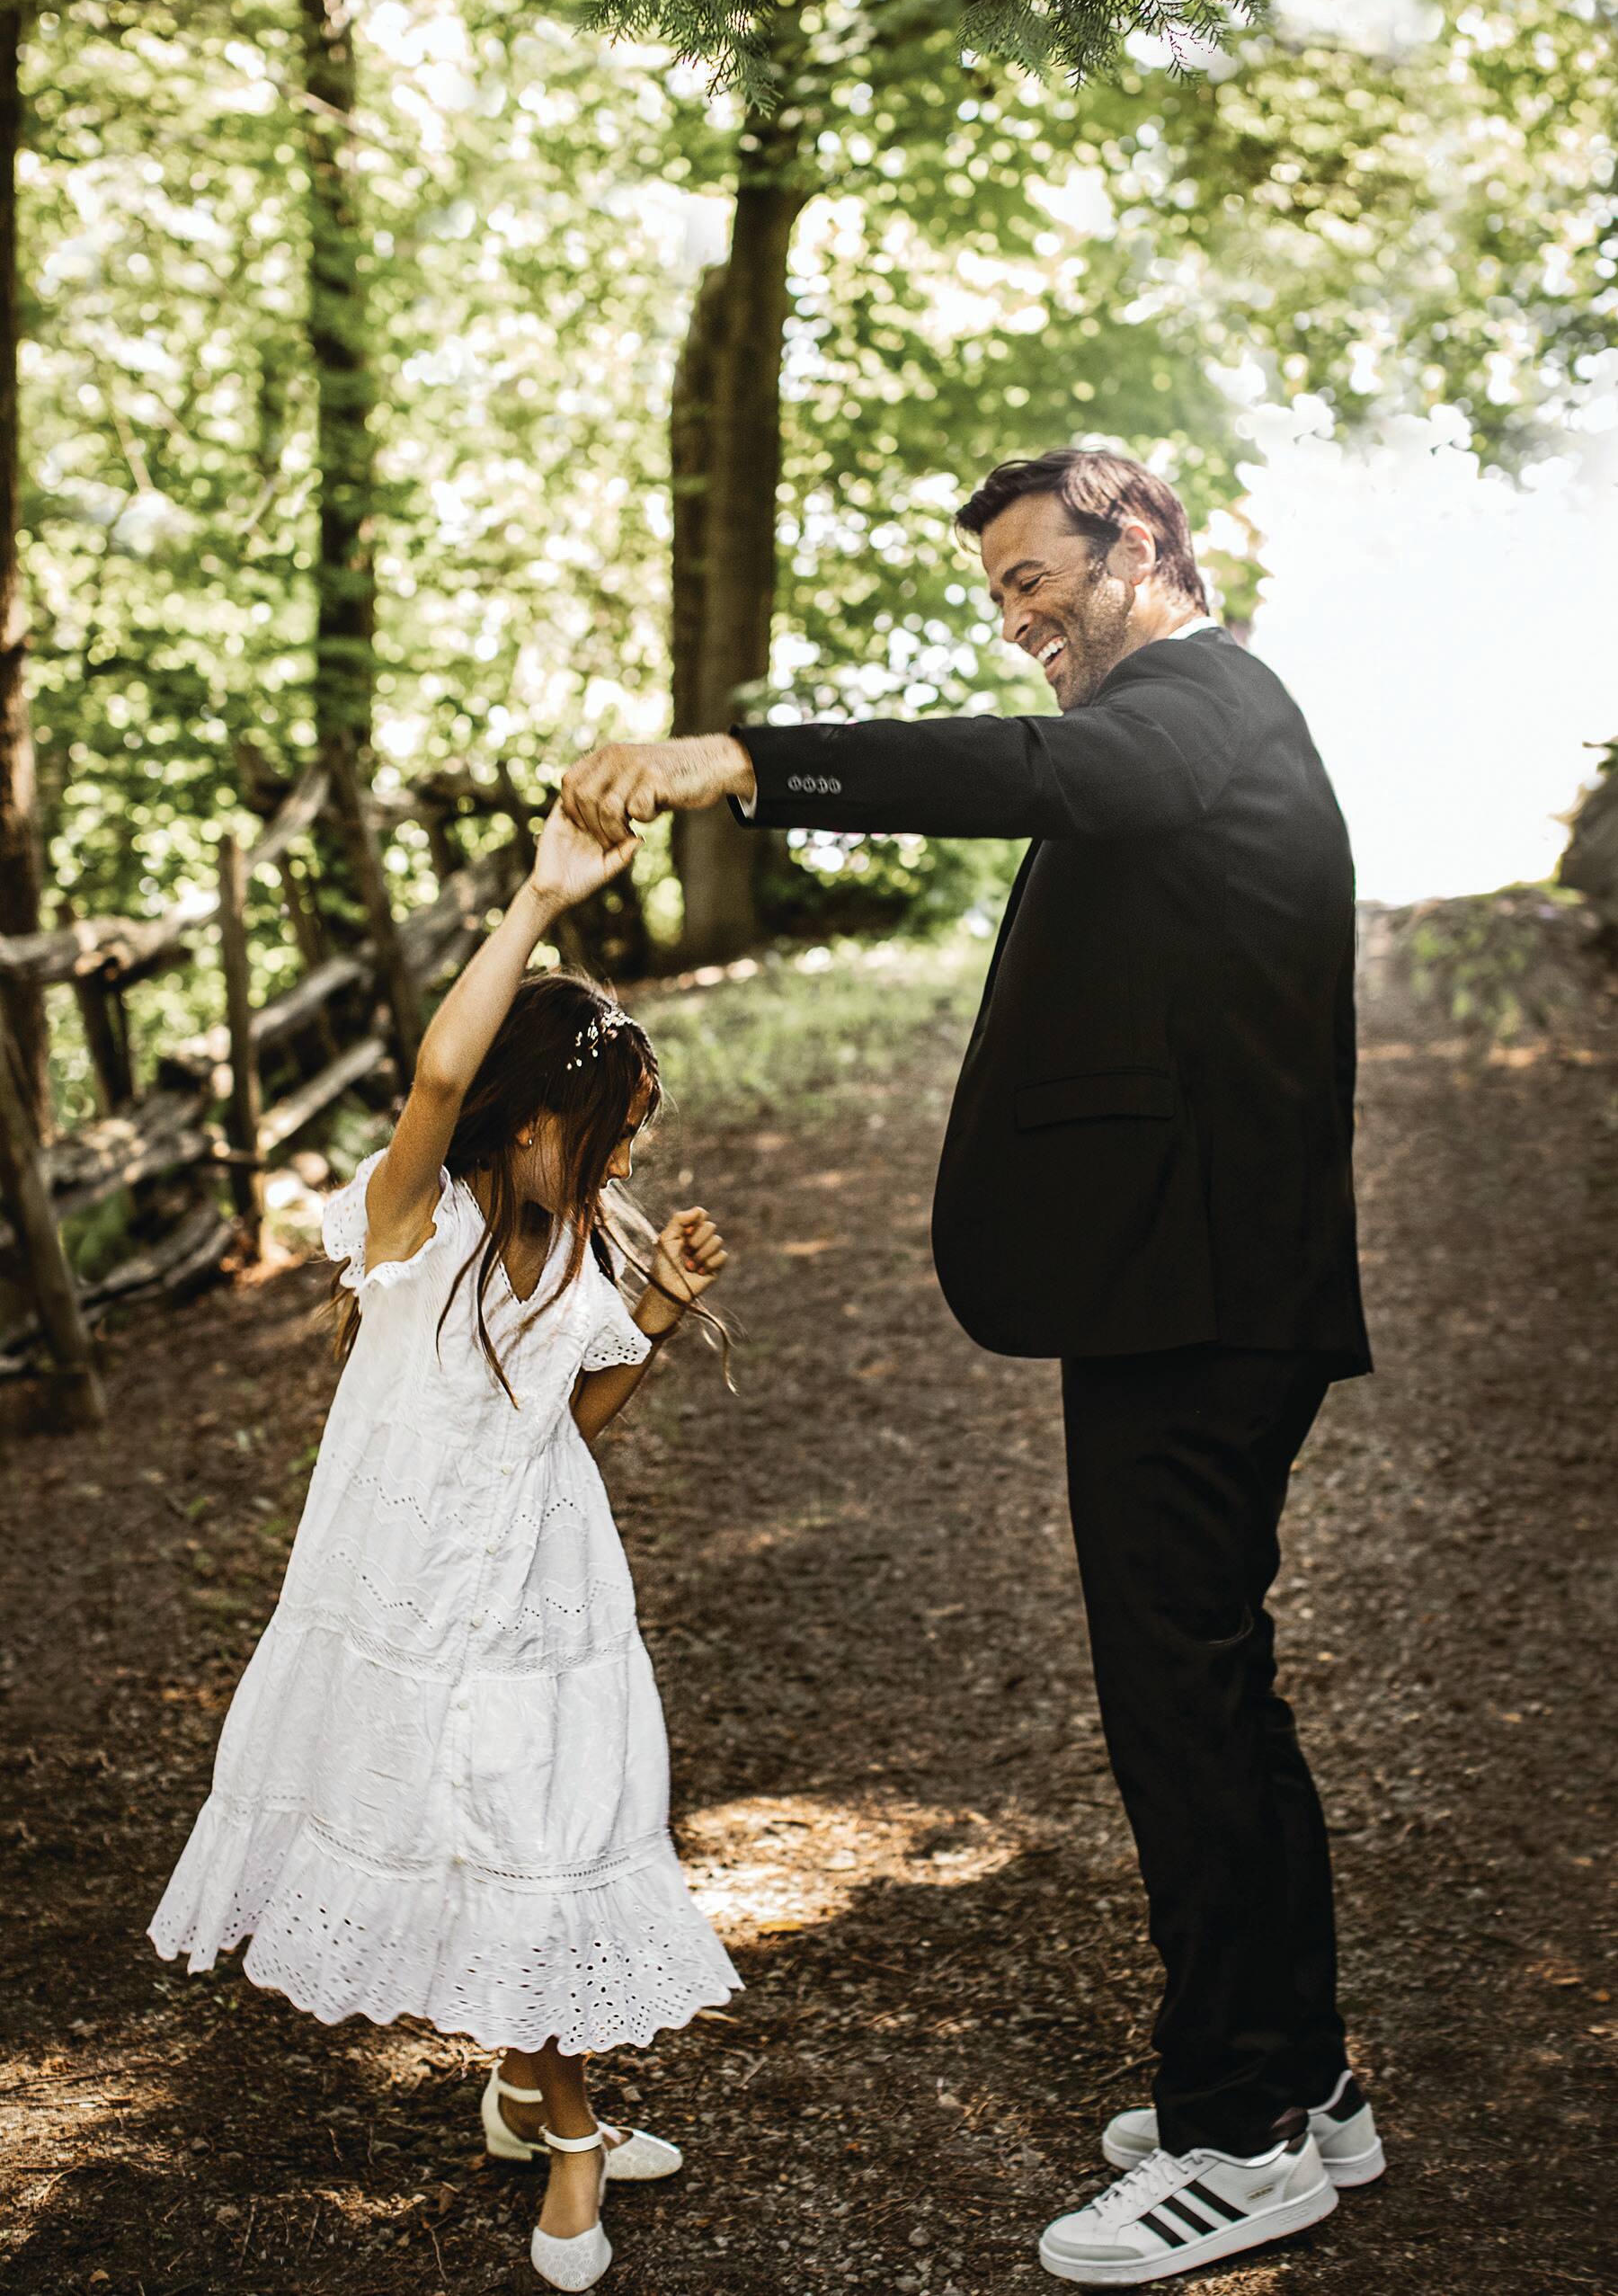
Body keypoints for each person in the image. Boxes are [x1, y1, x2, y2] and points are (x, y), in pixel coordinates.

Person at [560, 448, 1383, 2286]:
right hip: (1186, 1288)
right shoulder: (1190, 725)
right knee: (1221, 1699)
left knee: (1185, 1715)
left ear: (1142, 545)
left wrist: (750, 758)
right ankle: (1305, 2077)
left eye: (1039, 577)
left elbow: (1038, 777)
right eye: (998, 595)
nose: (1021, 620)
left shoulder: (1205, 703)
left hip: (1199, 1301)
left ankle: (1238, 2139)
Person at [148, 804, 741, 2293]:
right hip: (407, 1592)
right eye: (603, 1140)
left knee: (535, 1839)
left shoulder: (582, 1239)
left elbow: (575, 1417)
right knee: (485, 1834)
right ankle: (557, 2118)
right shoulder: (417, 1227)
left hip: (542, 1589)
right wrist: (541, 895)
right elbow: (432, 1073)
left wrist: (655, 1303)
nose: (619, 1168)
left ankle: (553, 2112)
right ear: (530, 1117)